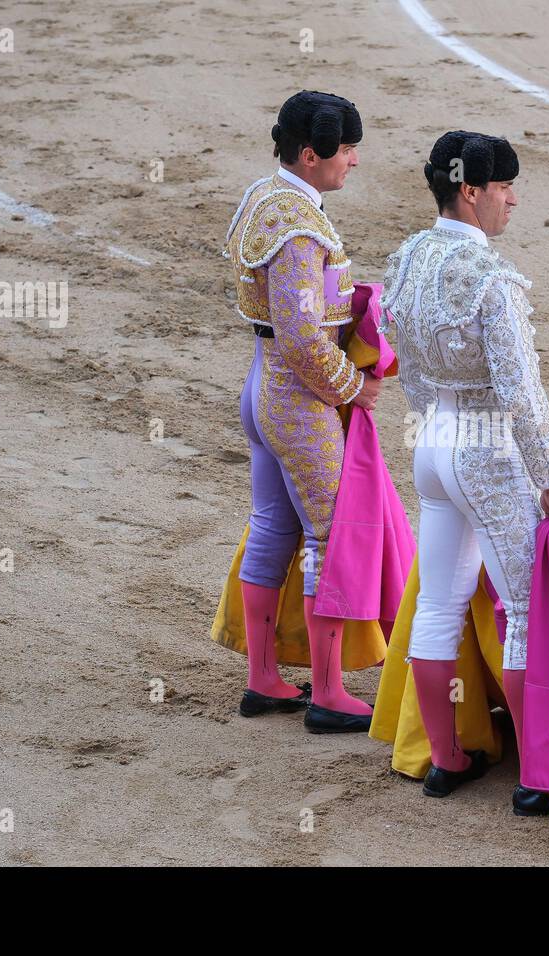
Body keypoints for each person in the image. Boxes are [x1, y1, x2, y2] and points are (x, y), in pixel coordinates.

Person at [380, 131, 549, 809]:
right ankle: (536, 776)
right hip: (486, 453)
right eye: (503, 188)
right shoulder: (493, 279)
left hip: (432, 445)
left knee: (438, 604)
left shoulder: (405, 260)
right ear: (471, 191)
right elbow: (520, 393)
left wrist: (435, 424)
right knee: (522, 610)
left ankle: (446, 759)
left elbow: (400, 353)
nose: (512, 200)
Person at [217, 90, 381, 733]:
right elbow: (302, 334)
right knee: (329, 538)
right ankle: (329, 691)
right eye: (345, 150)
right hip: (297, 399)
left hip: (261, 389)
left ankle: (263, 678)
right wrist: (351, 386)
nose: (354, 161)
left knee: (272, 528)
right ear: (310, 156)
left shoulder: (263, 197)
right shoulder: (298, 225)